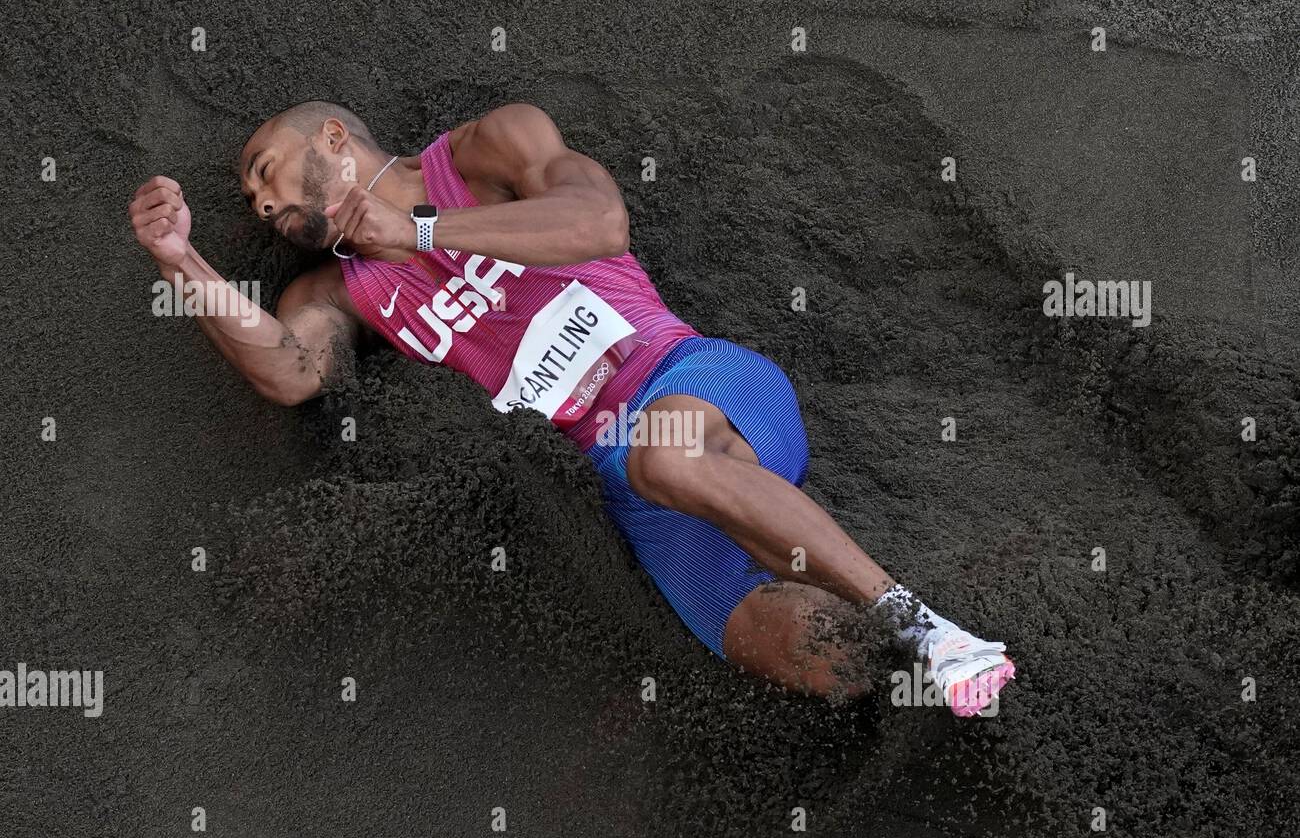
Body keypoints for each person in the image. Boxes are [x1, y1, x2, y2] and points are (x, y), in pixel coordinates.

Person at [127, 100, 1015, 715]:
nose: (265, 200)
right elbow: (287, 373)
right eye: (253, 201)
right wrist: (182, 262)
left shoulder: (483, 149)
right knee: (825, 660)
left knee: (666, 455)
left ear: (333, 137)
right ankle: (948, 662)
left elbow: (598, 225)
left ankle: (928, 627)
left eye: (269, 172)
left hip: (686, 375)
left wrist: (423, 232)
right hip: (629, 491)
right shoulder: (344, 291)